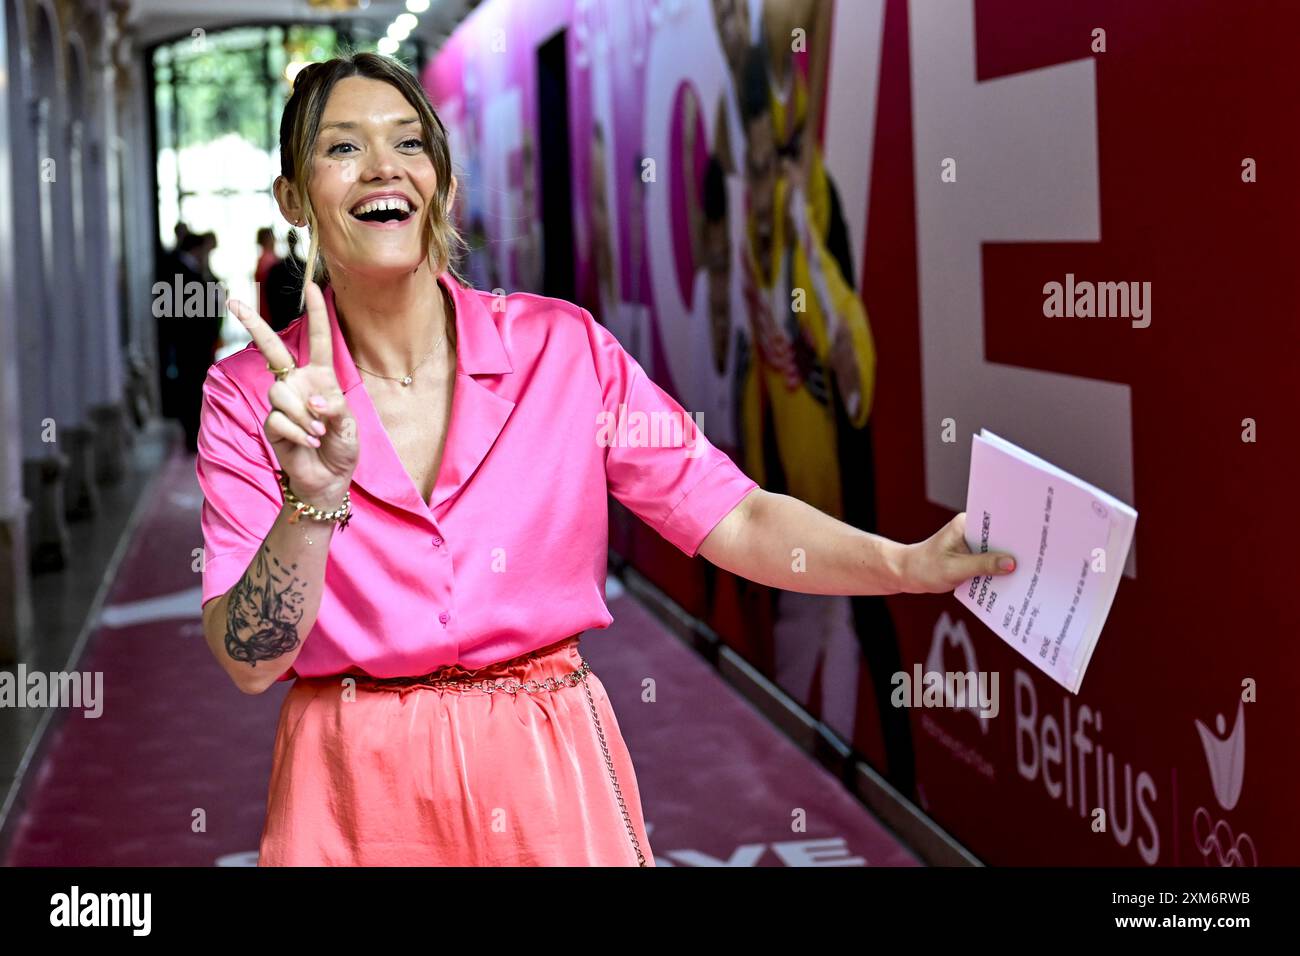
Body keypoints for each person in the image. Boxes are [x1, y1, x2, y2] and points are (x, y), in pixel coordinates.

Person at [196, 51, 1016, 868]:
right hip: (347, 794)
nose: (383, 167)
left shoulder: (565, 350)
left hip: (547, 780)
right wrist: (311, 499)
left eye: (410, 143)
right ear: (294, 199)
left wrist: (904, 565)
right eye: (343, 147)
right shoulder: (249, 397)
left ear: (441, 180)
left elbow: (737, 516)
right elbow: (246, 659)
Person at [255, 227, 279, 320]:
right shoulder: (268, 260)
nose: (275, 240)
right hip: (270, 309)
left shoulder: (262, 259)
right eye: (272, 237)